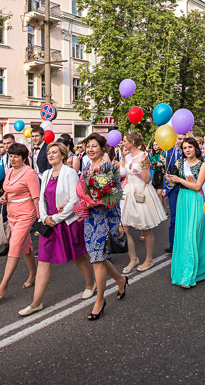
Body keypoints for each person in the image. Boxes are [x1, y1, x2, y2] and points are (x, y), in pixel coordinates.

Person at [20, 143, 95, 316]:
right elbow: (41, 199)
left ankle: (90, 284)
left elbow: (75, 198)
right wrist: (45, 217)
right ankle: (36, 302)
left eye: (54, 152)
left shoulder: (69, 173)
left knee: (78, 255)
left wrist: (57, 218)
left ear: (62, 155)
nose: (51, 155)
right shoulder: (46, 174)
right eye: (49, 153)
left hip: (67, 222)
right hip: (49, 223)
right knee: (44, 261)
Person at [72, 133, 127, 320]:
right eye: (88, 146)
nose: (90, 149)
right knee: (97, 257)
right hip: (90, 218)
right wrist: (86, 199)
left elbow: (116, 196)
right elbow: (81, 190)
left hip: (105, 218)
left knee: (97, 258)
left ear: (103, 148)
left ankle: (100, 300)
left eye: (94, 146)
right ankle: (120, 279)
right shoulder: (86, 169)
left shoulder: (108, 169)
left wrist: (99, 198)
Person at [166, 137, 205, 289]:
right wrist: (170, 179)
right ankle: (185, 269)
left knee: (192, 235)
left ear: (195, 148)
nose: (187, 150)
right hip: (182, 200)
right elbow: (173, 182)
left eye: (190, 147)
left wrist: (179, 179)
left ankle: (189, 275)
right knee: (183, 236)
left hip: (196, 200)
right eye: (184, 148)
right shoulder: (179, 163)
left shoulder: (202, 165)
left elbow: (198, 186)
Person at [0, 143, 39, 300]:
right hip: (12, 213)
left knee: (15, 245)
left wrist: (39, 219)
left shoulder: (30, 173)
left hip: (26, 214)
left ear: (24, 158)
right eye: (11, 155)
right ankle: (33, 274)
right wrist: (4, 197)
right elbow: (8, 190)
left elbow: (36, 197)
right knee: (26, 247)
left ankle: (3, 285)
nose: (12, 159)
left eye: (16, 156)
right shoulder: (8, 171)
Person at [119, 131, 166, 274]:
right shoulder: (126, 156)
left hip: (141, 191)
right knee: (124, 228)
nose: (123, 143)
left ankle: (149, 259)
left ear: (132, 142)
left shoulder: (143, 156)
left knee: (145, 228)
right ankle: (133, 259)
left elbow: (146, 179)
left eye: (125, 140)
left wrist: (139, 166)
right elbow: (126, 177)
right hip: (128, 192)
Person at [162, 133, 185, 253]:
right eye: (179, 139)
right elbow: (165, 169)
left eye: (183, 139)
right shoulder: (169, 151)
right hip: (172, 188)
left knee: (185, 216)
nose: (181, 141)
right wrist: (164, 186)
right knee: (174, 216)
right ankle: (172, 244)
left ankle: (184, 243)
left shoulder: (187, 151)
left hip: (185, 187)